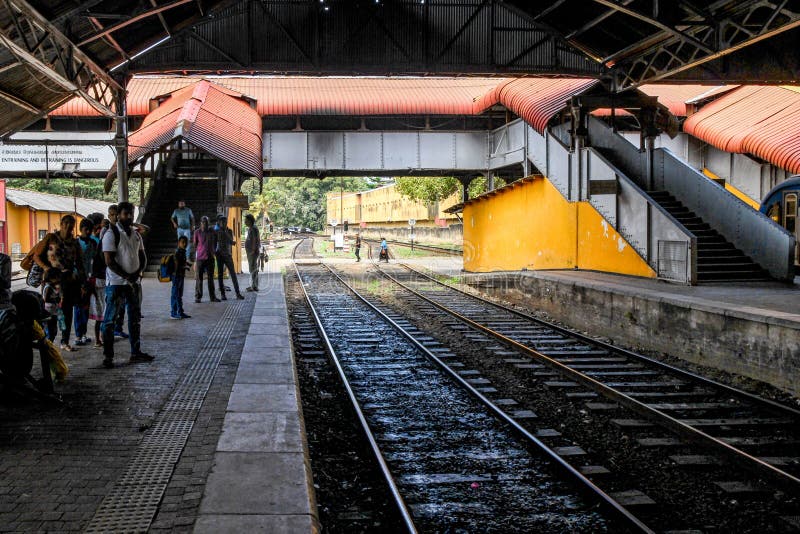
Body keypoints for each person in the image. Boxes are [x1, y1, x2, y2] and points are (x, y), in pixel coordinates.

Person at [101, 201, 153, 369]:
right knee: (110, 320)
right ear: (118, 215)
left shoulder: (136, 235)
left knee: (135, 319)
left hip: (133, 283)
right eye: (125, 214)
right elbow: (109, 261)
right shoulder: (111, 234)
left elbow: (142, 257)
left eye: (131, 213)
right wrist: (128, 276)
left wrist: (137, 274)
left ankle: (135, 353)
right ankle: (108, 356)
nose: (129, 217)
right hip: (116, 284)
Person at [30, 214, 85, 352]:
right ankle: (48, 340)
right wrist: (46, 268)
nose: (68, 227)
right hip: (51, 281)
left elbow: (80, 263)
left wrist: (82, 282)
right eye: (65, 224)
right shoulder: (51, 238)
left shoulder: (75, 243)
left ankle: (64, 341)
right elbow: (36, 256)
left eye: (71, 225)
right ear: (61, 224)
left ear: (73, 227)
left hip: (68, 282)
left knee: (67, 312)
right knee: (50, 312)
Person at [73, 218, 96, 346]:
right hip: (77, 280)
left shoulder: (93, 243)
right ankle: (78, 335)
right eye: (86, 229)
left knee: (86, 308)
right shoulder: (75, 243)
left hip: (88, 280)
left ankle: (84, 334)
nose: (88, 232)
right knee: (78, 308)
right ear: (81, 229)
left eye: (90, 230)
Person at [214, 215, 244, 300]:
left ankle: (238, 293)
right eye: (222, 222)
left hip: (228, 255)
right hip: (219, 255)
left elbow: (231, 241)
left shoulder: (229, 231)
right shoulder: (216, 232)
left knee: (233, 274)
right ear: (219, 223)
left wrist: (225, 232)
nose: (224, 224)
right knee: (220, 275)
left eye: (225, 222)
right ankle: (223, 294)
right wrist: (215, 252)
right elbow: (214, 242)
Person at [193, 216, 219, 303]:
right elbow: (195, 245)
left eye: (207, 222)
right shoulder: (197, 232)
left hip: (210, 258)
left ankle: (212, 297)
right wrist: (195, 259)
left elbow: (216, 242)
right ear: (200, 223)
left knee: (210, 278)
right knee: (199, 278)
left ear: (209, 223)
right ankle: (198, 297)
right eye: (203, 222)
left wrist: (213, 250)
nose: (205, 224)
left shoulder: (212, 232)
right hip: (200, 258)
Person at [170, 236, 191, 319]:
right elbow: (177, 266)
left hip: (180, 276)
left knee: (179, 295)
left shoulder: (182, 251)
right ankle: (173, 313)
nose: (185, 244)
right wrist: (185, 267)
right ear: (179, 243)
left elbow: (181, 262)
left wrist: (187, 264)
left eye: (186, 242)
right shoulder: (178, 252)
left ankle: (180, 312)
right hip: (176, 276)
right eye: (183, 242)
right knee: (175, 294)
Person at [41, 269, 61, 342]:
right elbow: (45, 299)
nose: (58, 279)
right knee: (49, 331)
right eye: (57, 277)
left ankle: (49, 344)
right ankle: (47, 344)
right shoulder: (48, 287)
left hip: (54, 311)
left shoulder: (53, 286)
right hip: (48, 311)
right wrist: (56, 299)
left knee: (53, 330)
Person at [244, 214, 260, 292]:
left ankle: (254, 286)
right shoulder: (252, 228)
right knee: (253, 268)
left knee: (253, 268)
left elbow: (254, 240)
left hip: (252, 251)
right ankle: (254, 285)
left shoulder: (253, 228)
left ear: (250, 221)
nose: (245, 222)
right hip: (251, 251)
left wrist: (253, 250)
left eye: (246, 220)